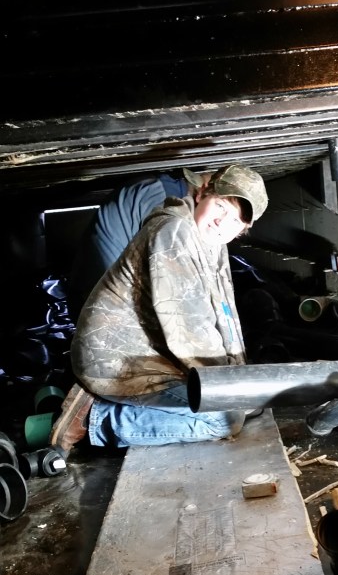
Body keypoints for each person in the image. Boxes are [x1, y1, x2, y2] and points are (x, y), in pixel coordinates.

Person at [50, 165, 268, 451]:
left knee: (246, 405)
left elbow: (223, 311)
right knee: (224, 420)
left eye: (235, 220)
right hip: (116, 361)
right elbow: (188, 323)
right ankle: (95, 417)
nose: (221, 222)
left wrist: (238, 373)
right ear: (203, 193)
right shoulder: (174, 231)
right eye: (220, 207)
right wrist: (225, 389)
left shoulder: (211, 243)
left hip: (150, 356)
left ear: (243, 229)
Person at [66, 168, 211, 322]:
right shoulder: (167, 203)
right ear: (202, 191)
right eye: (219, 205)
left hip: (89, 298)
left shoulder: (157, 186)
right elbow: (168, 279)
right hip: (105, 311)